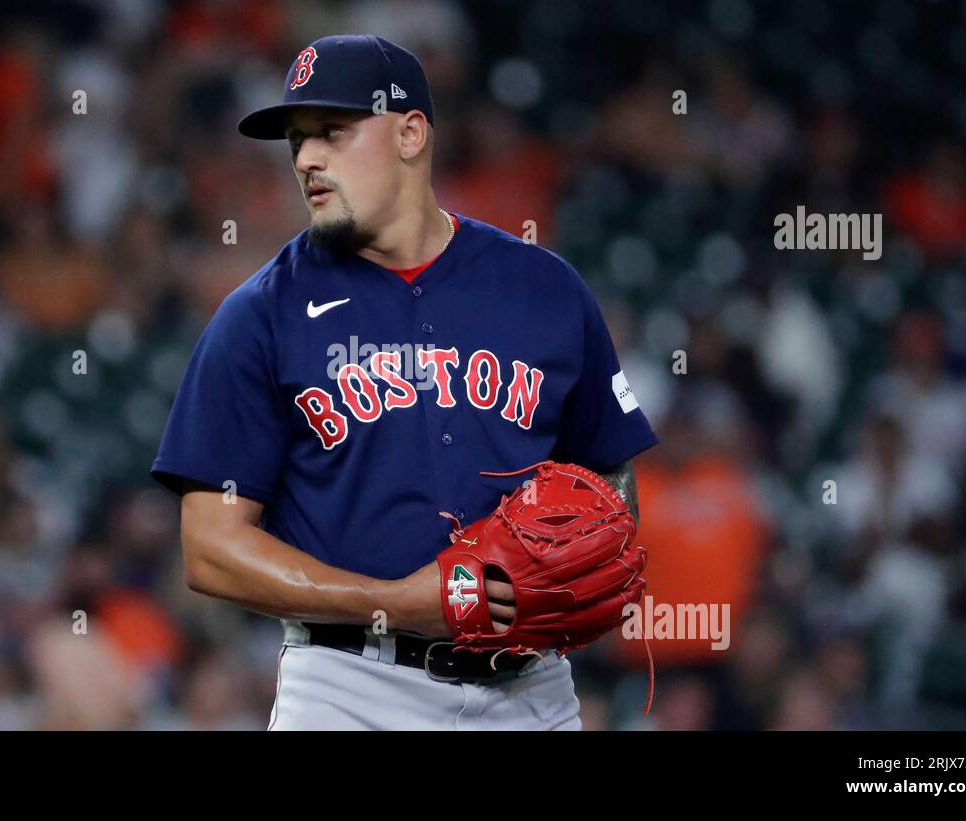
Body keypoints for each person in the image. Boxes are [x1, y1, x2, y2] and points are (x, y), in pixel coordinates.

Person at [151, 35, 657, 730]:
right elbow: (211, 550)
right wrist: (396, 602)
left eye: (332, 131)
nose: (306, 159)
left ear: (411, 134)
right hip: (349, 688)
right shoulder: (260, 315)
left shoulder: (545, 289)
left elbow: (611, 475)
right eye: (297, 140)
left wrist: (570, 564)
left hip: (529, 691)